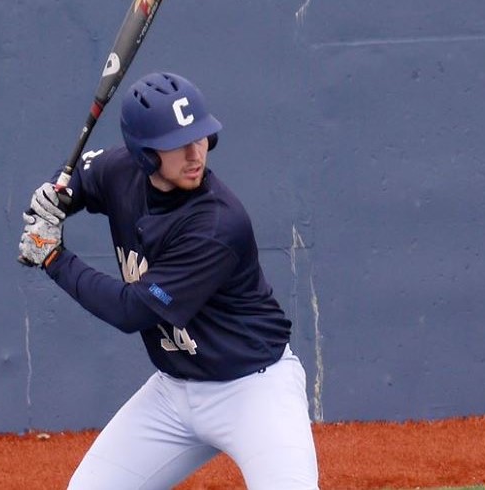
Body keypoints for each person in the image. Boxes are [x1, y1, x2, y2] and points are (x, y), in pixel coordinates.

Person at [18, 72, 319, 489]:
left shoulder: (216, 224)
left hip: (254, 390)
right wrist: (56, 196)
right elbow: (78, 180)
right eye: (177, 145)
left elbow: (131, 310)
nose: (196, 153)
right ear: (143, 154)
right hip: (174, 394)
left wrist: (53, 257)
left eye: (201, 137)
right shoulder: (120, 171)